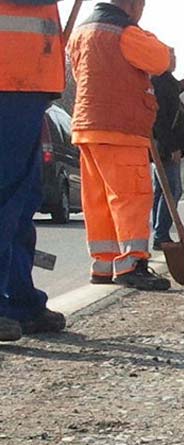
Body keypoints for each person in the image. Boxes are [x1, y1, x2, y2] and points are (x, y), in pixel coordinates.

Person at [68, 0, 174, 291]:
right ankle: (132, 263)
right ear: (131, 4)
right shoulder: (125, 32)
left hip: (87, 127)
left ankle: (104, 263)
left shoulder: (83, 31)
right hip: (120, 129)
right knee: (130, 196)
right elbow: (161, 61)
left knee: (98, 200)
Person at [0, 0, 69, 340]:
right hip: (9, 83)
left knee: (22, 202)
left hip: (24, 83)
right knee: (6, 199)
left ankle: (22, 302)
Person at [151, 72, 184, 250]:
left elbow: (173, 91)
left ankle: (160, 234)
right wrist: (172, 147)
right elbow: (161, 121)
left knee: (162, 191)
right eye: (172, 56)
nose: (174, 59)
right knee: (172, 190)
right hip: (166, 149)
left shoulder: (163, 82)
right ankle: (161, 235)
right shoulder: (161, 84)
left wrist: (183, 84)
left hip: (162, 148)